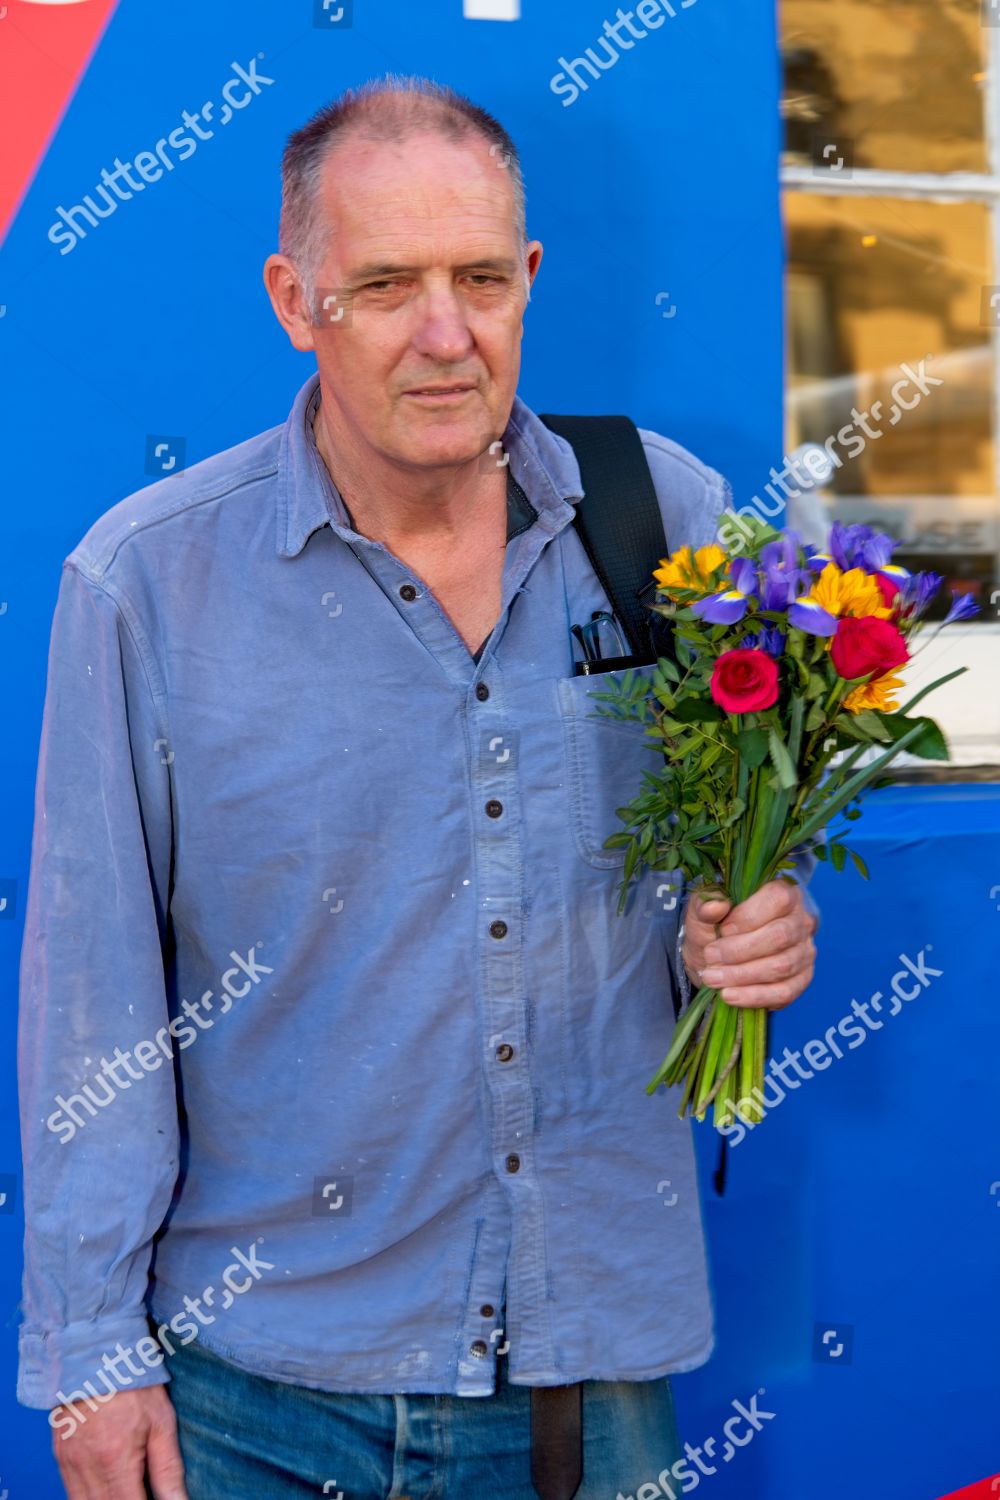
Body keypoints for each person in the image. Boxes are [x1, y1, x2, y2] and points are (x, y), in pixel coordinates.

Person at [17, 74, 818, 1500]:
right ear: (294, 296)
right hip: (254, 1405)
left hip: (586, 1385)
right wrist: (92, 1352)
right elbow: (95, 1000)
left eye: (481, 279)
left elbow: (726, 869)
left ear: (532, 280)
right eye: (385, 285)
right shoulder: (147, 584)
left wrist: (748, 930)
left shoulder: (668, 525)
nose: (446, 336)